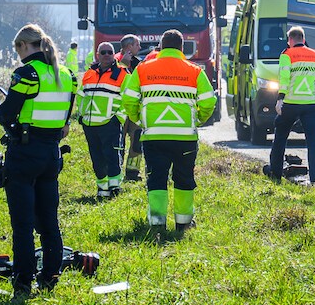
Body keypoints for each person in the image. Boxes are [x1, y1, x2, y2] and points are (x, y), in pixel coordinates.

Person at [0, 24, 76, 295]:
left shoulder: (26, 73)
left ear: (23, 46)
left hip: (24, 153)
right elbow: (63, 120)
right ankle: (50, 276)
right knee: (49, 221)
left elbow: (6, 117)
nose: (18, 56)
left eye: (18, 50)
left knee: (23, 224)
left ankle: (23, 280)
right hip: (51, 154)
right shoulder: (67, 75)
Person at [121, 30, 215, 230]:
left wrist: (139, 117)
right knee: (184, 178)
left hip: (154, 136)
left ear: (161, 47)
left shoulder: (143, 69)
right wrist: (196, 120)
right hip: (185, 137)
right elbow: (208, 101)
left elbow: (128, 98)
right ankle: (183, 223)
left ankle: (157, 222)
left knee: (156, 178)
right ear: (181, 47)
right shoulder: (195, 70)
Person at [268, 26, 315, 186]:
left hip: (290, 103)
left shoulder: (287, 55)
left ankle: (275, 174)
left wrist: (280, 98)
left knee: (280, 137)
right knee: (313, 142)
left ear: (290, 40)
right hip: (311, 104)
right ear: (303, 39)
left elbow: (284, 78)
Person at [76, 42, 127, 198]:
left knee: (112, 156)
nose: (106, 55)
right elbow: (80, 95)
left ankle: (114, 188)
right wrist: (81, 115)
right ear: (97, 55)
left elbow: (129, 98)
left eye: (109, 52)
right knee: (96, 157)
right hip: (90, 124)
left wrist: (119, 118)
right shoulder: (89, 73)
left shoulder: (123, 74)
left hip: (109, 123)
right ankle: (102, 189)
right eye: (103, 52)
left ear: (114, 54)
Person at [117, 35, 145, 182]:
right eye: (137, 45)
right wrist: (122, 66)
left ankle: (132, 173)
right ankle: (117, 171)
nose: (139, 48)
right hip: (119, 111)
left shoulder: (138, 63)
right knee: (119, 143)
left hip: (134, 110)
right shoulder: (114, 61)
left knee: (136, 142)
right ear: (129, 47)